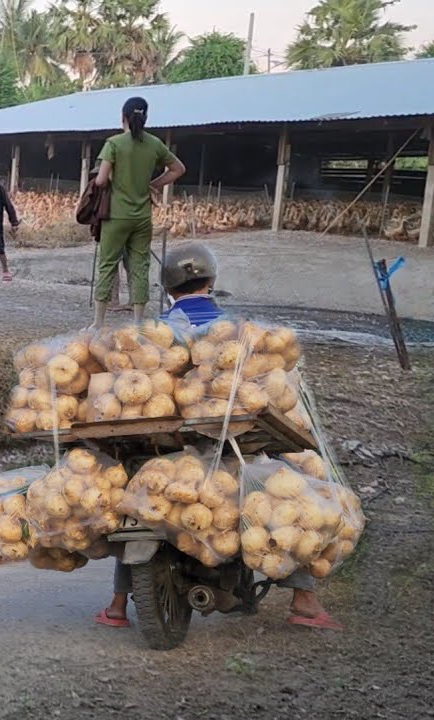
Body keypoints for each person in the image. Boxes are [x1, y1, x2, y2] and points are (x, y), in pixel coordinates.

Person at [97, 242, 343, 631]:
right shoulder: (241, 333)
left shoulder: (151, 335)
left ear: (169, 289)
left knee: (136, 493)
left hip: (161, 443)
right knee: (290, 491)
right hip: (232, 443)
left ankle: (116, 606)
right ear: (210, 281)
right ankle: (305, 600)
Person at [92, 97, 186, 327]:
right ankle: (137, 322)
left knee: (107, 264)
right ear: (146, 117)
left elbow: (101, 180)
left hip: (116, 215)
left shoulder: (114, 143)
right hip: (142, 217)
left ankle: (98, 323)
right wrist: (154, 184)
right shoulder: (154, 144)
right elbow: (178, 169)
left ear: (122, 116)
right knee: (139, 266)